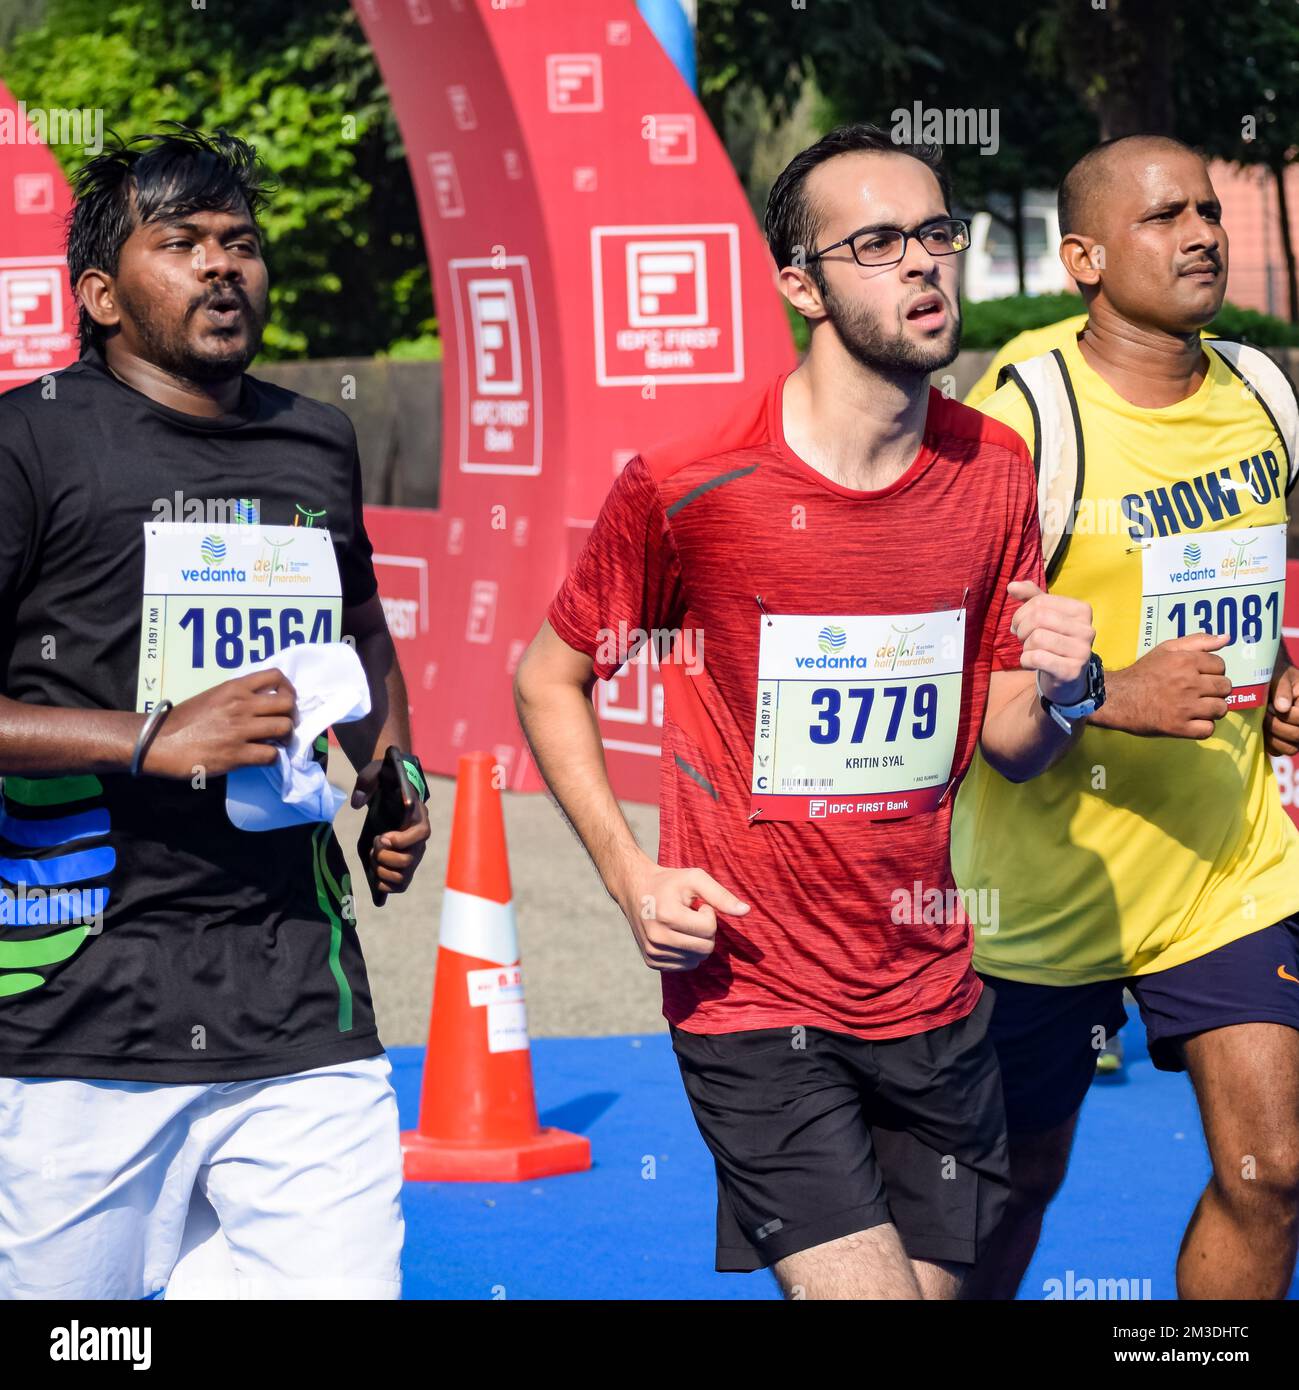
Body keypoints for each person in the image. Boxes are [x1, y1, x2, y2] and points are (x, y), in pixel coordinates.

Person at [514, 123, 1101, 1300]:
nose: (925, 263)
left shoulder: (992, 469)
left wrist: (1071, 693)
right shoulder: (697, 486)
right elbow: (550, 673)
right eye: (878, 242)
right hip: (753, 994)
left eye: (937, 232)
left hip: (932, 987)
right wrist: (632, 875)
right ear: (802, 283)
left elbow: (1011, 746)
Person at [0, 127, 431, 1300]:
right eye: (180, 241)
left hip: (301, 1000)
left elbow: (355, 632)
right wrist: (150, 738)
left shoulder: (315, 438)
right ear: (100, 293)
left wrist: (391, 772)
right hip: (74, 1014)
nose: (222, 265)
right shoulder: (28, 440)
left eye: (239, 241)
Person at [952, 134, 1299, 1301]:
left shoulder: (1267, 391)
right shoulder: (1025, 412)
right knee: (1013, 1184)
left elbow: (1256, 596)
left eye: (1209, 207)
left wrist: (1285, 671)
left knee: (1275, 1171)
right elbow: (949, 662)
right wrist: (1110, 695)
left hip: (1227, 864)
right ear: (1085, 256)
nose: (1203, 231)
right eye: (1166, 217)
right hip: (1046, 883)